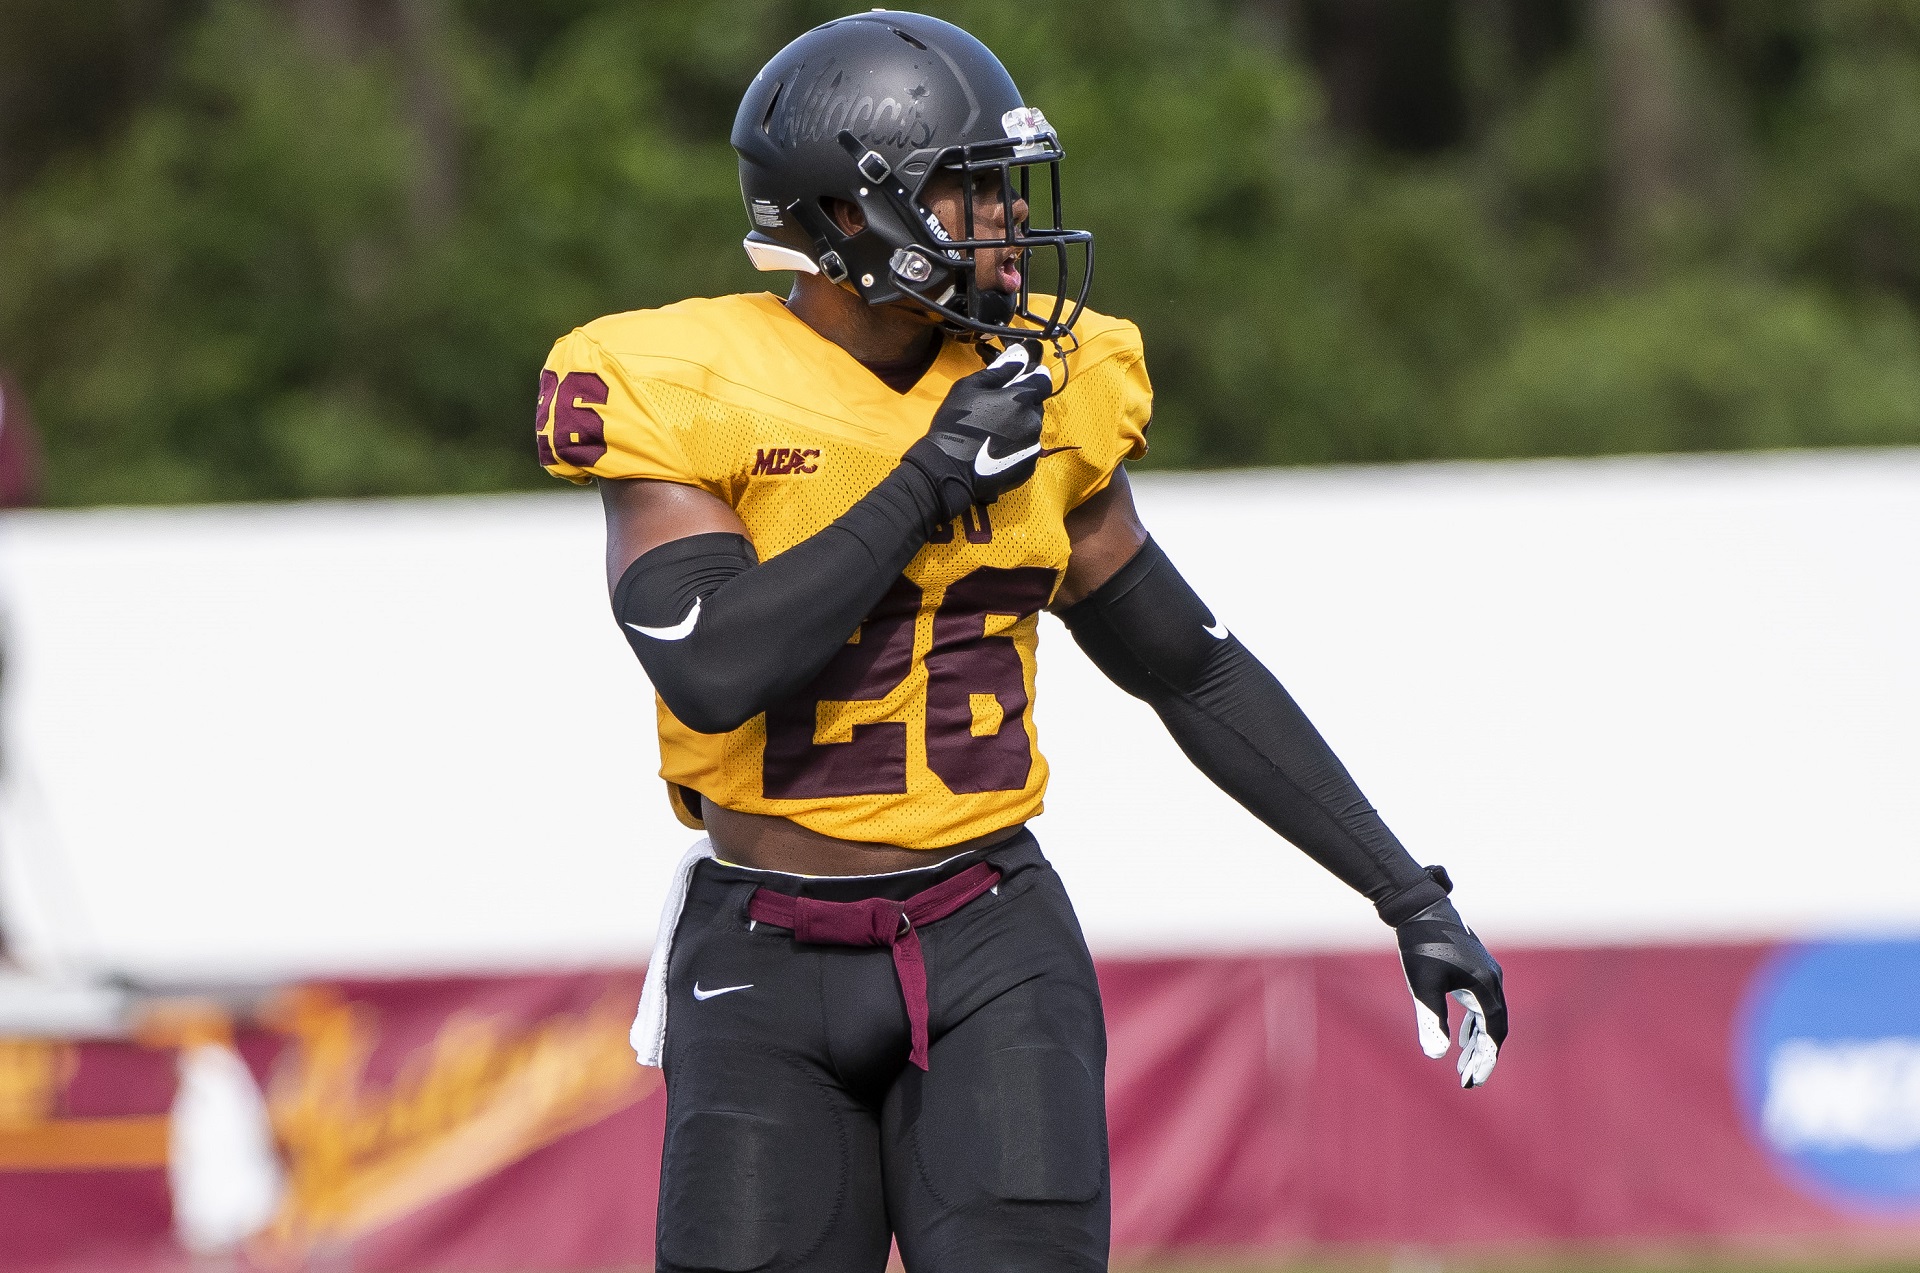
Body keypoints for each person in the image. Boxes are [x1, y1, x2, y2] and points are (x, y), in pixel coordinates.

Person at [535, 12, 1508, 1272]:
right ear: (847, 216)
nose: (1006, 217)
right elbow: (713, 667)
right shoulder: (685, 382)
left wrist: (1408, 893)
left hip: (987, 932)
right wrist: (926, 481)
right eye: (971, 186)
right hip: (763, 952)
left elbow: (1189, 664)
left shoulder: (1046, 379)